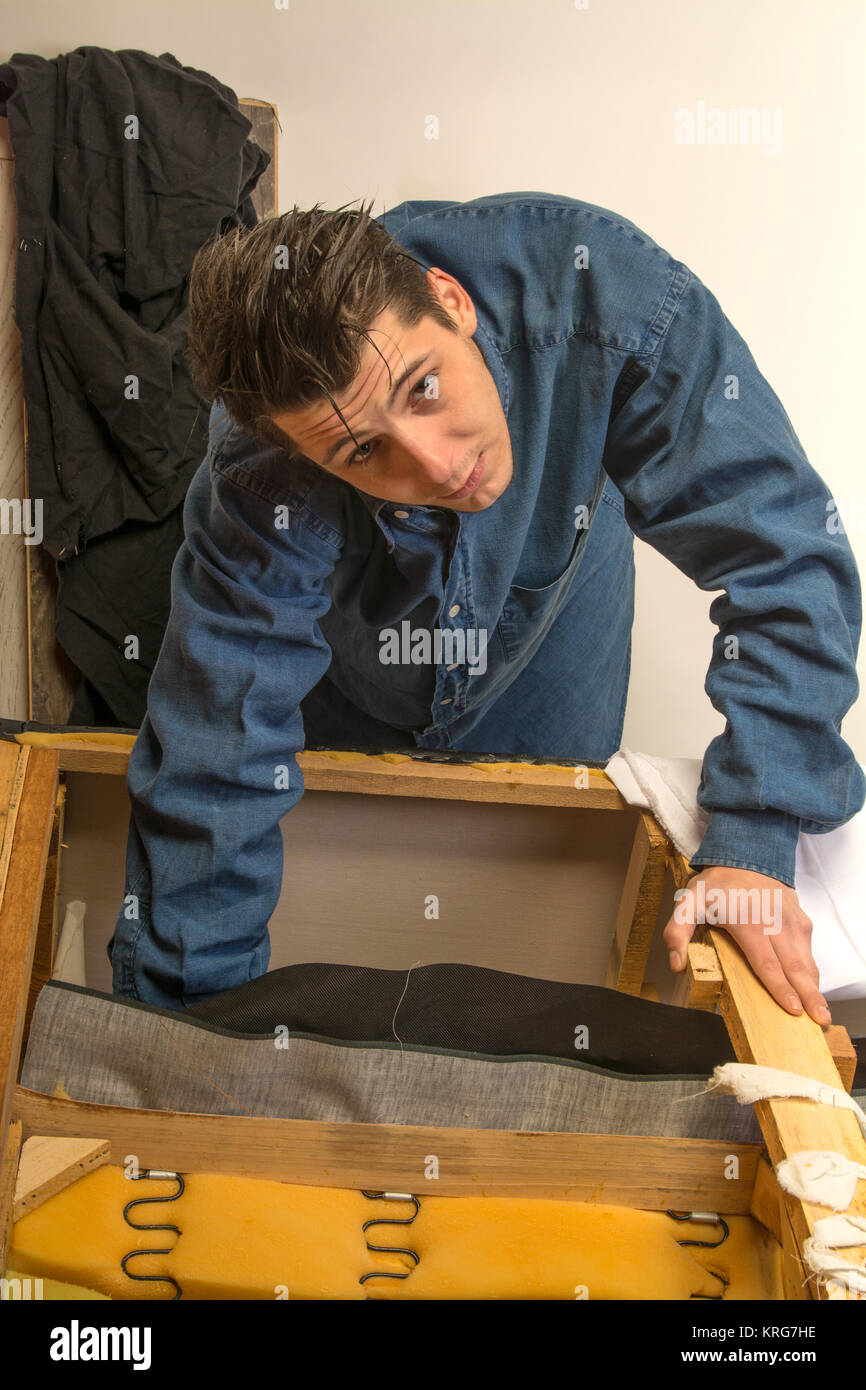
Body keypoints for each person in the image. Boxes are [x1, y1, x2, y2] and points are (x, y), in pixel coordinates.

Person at [108, 191, 864, 1015]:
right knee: (354, 888)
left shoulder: (614, 305)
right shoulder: (264, 473)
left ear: (451, 301)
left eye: (423, 388)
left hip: (552, 621)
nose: (434, 466)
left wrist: (756, 842)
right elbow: (220, 749)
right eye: (365, 451)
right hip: (354, 666)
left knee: (542, 912)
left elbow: (783, 556)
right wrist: (184, 1042)